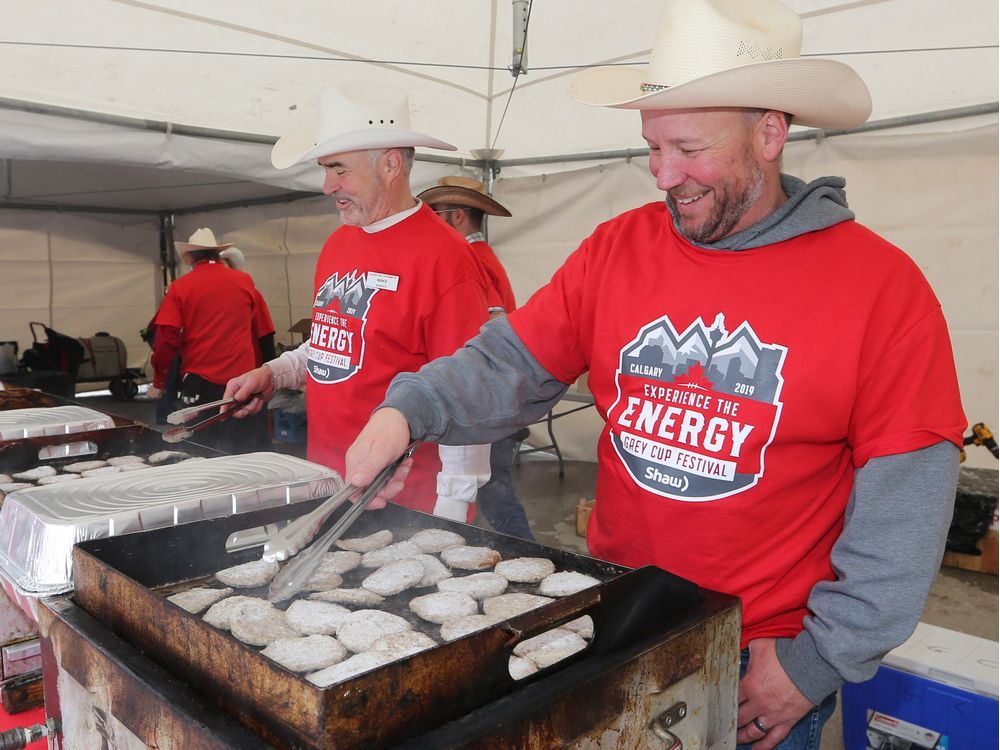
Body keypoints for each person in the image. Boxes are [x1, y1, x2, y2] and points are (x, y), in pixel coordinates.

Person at [343, 2, 967, 749]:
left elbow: (908, 501)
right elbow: (512, 359)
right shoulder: (618, 249)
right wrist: (407, 410)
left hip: (754, 658)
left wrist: (817, 662)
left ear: (770, 132)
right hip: (609, 615)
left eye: (689, 147)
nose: (665, 175)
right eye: (652, 147)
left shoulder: (879, 287)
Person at [226, 82, 492, 521]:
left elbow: (469, 392)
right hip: (328, 483)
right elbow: (337, 344)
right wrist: (275, 372)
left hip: (406, 502)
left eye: (339, 169)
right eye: (325, 169)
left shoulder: (446, 258)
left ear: (390, 165)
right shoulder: (339, 243)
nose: (327, 185)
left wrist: (453, 508)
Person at [417, 176, 534, 540]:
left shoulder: (469, 260)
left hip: (485, 396)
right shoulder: (482, 257)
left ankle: (528, 556)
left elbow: (486, 330)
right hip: (492, 392)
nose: (430, 221)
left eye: (436, 213)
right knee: (492, 491)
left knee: (494, 492)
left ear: (458, 217)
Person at [147, 228, 264, 453]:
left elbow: (165, 341)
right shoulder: (244, 280)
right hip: (242, 379)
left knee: (200, 446)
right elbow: (257, 331)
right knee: (243, 446)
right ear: (217, 254)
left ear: (190, 258)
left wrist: (160, 382)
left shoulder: (180, 287)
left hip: (200, 381)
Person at [220, 246, 276, 449]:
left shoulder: (251, 294)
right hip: (222, 376)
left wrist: (268, 372)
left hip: (249, 374)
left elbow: (265, 335)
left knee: (253, 434)